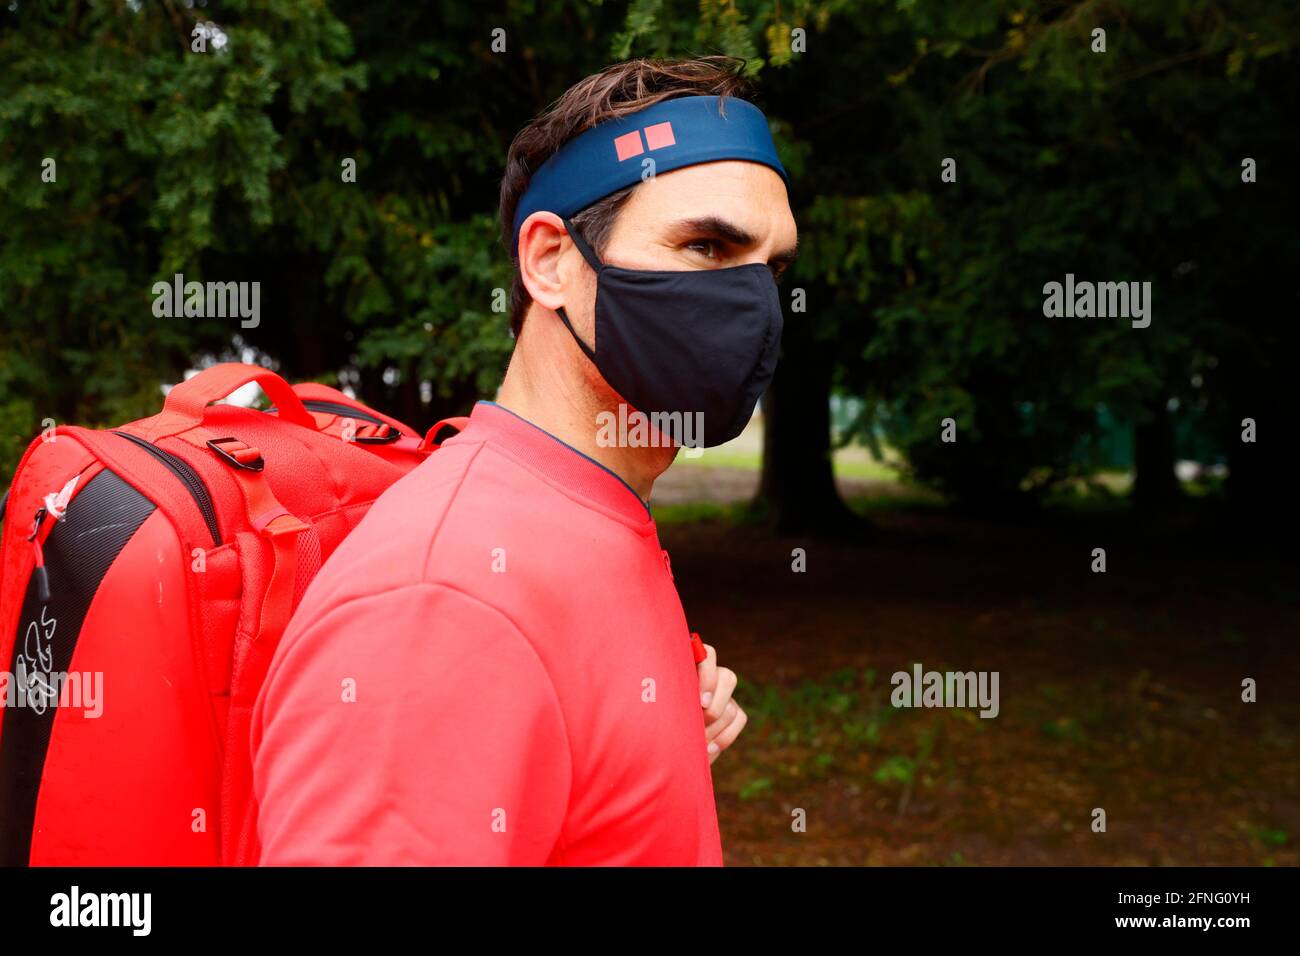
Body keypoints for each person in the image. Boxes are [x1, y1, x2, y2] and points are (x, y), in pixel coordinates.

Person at [251, 55, 798, 865]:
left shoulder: (592, 513)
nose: (754, 301)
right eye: (710, 245)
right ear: (549, 260)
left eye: (773, 267)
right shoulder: (445, 603)